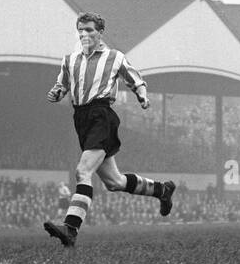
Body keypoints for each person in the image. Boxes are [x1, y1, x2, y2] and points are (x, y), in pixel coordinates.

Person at [43, 12, 176, 247]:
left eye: (89, 30)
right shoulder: (69, 60)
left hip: (102, 116)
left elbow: (134, 77)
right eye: (81, 30)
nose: (84, 34)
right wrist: (56, 93)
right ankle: (161, 190)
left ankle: (71, 228)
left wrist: (142, 95)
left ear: (100, 32)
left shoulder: (114, 57)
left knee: (83, 171)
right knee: (114, 182)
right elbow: (62, 85)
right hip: (81, 119)